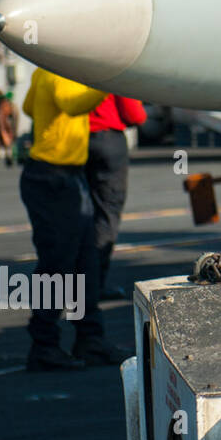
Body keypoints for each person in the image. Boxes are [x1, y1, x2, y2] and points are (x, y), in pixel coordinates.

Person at [21, 69, 132, 371]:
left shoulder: (44, 70)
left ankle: (89, 338)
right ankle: (44, 343)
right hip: (53, 179)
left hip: (65, 177)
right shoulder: (61, 69)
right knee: (57, 263)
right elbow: (72, 104)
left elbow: (28, 107)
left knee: (86, 260)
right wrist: (107, 79)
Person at [86, 94, 148, 300]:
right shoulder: (108, 71)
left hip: (77, 142)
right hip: (108, 139)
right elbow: (134, 114)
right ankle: (95, 284)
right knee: (107, 214)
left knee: (82, 212)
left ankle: (77, 282)